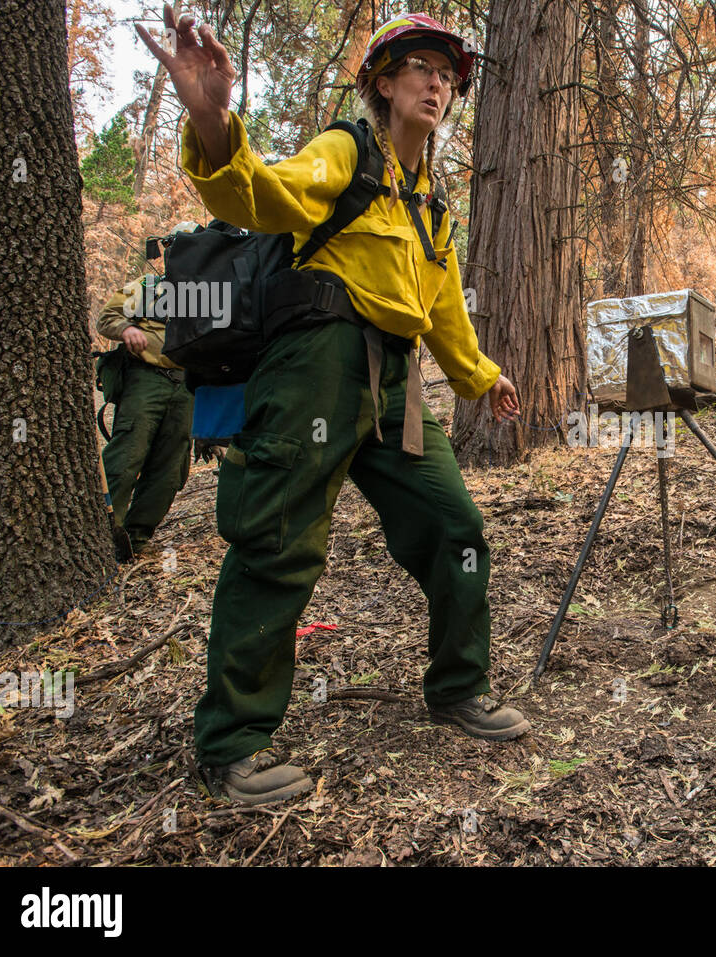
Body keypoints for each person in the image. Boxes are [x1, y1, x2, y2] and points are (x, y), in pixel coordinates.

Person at [137, 6, 530, 806]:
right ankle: (231, 746)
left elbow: (444, 310)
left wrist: (482, 375)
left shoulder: (432, 204)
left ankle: (457, 687)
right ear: (383, 84)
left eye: (449, 75)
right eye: (420, 66)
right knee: (277, 543)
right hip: (316, 367)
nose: (438, 83)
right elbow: (262, 194)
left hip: (395, 388)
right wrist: (213, 123)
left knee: (454, 525)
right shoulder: (345, 151)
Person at [95, 229, 197, 557]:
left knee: (170, 470)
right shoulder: (146, 287)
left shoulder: (212, 292)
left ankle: (134, 539)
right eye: (173, 247)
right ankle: (102, 535)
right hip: (146, 379)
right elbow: (107, 317)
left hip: (188, 386)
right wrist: (127, 329)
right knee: (127, 455)